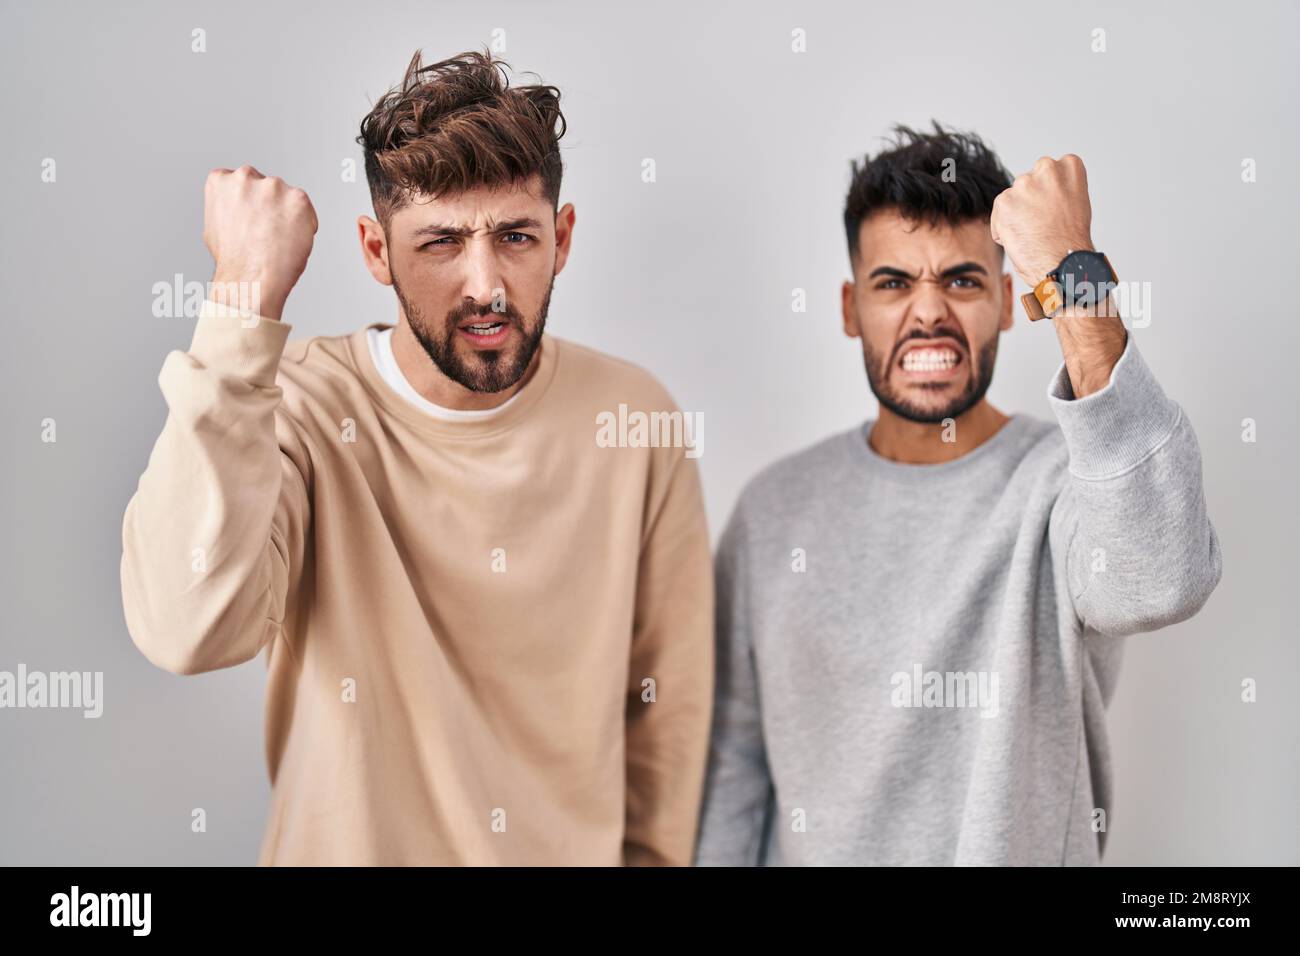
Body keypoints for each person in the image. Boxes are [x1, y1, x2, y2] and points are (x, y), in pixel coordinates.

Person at [120, 49, 713, 866]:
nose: (486, 285)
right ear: (375, 251)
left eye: (515, 237)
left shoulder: (635, 419)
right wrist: (242, 296)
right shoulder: (295, 406)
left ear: (562, 237)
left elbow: (668, 720)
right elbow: (188, 631)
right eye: (439, 242)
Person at [695, 123, 1222, 866]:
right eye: (894, 283)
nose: (929, 311)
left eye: (962, 280)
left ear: (1010, 301)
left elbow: (1164, 578)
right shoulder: (774, 512)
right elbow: (732, 766)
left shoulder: (1070, 485)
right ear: (851, 309)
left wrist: (1072, 270)